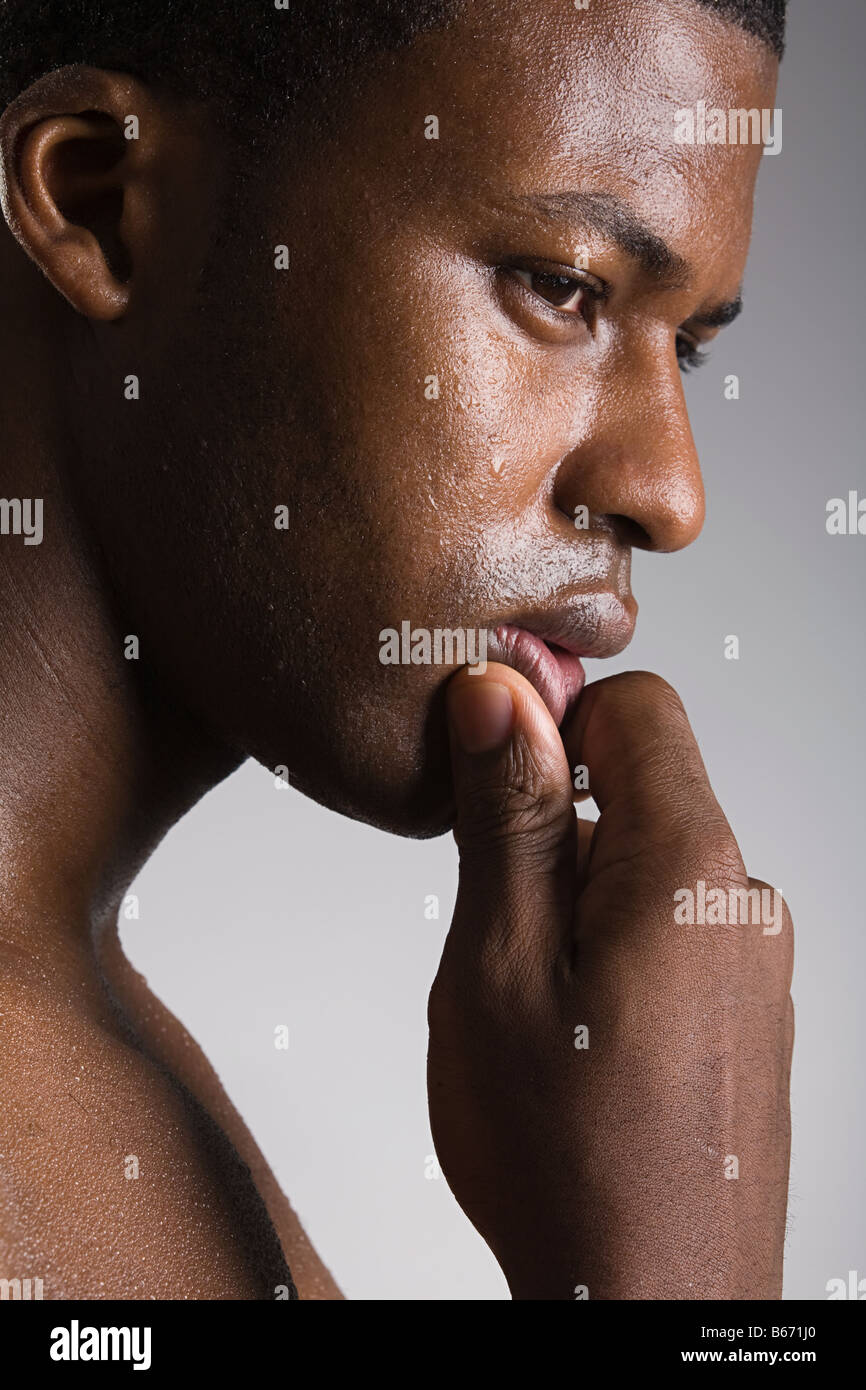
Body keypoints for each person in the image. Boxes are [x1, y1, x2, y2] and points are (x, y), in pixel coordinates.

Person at [0, 0, 792, 1299]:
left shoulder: (89, 1029)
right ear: (97, 200)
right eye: (561, 287)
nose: (666, 489)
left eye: (688, 347)